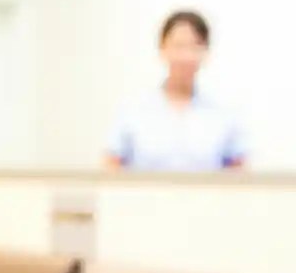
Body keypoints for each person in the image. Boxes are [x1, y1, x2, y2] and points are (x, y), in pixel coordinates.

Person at [106, 10, 247, 171]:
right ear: (162, 49)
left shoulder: (225, 112)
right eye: (179, 46)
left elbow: (239, 176)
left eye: (195, 46)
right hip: (145, 196)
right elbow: (111, 168)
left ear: (206, 52)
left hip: (206, 197)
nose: (186, 56)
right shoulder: (133, 109)